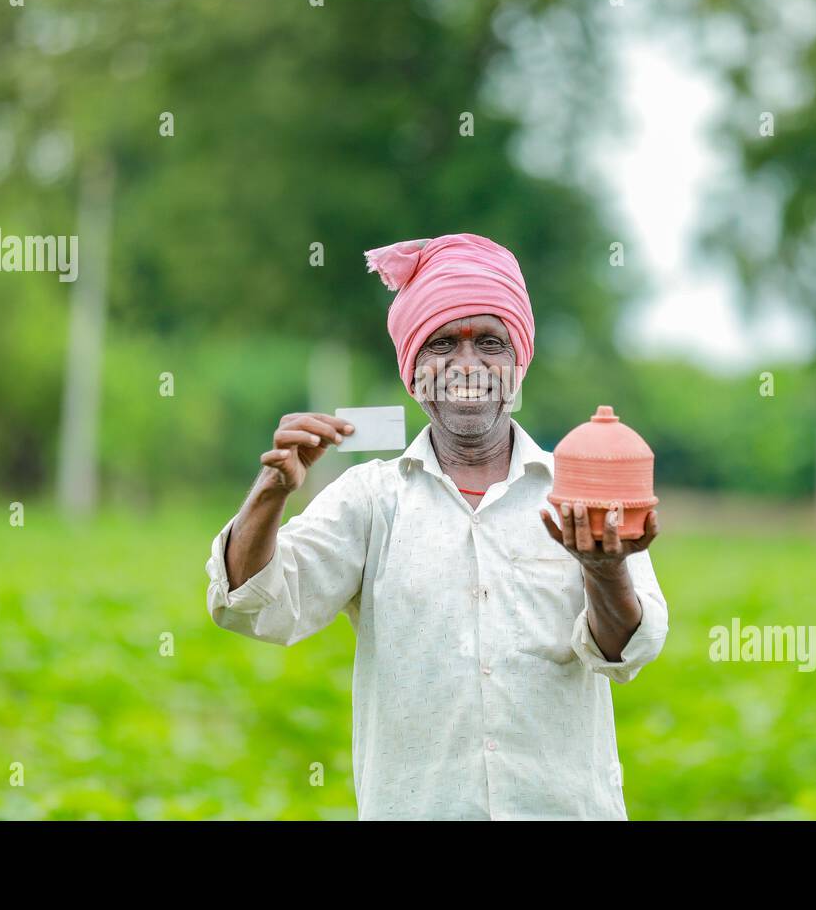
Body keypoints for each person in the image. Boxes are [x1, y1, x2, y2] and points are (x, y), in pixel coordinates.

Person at [205, 232, 669, 819]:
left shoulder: (579, 488)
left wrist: (605, 572)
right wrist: (270, 494)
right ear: (413, 372)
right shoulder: (370, 501)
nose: (468, 365)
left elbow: (625, 654)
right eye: (443, 343)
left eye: (491, 343)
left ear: (518, 362)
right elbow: (251, 607)